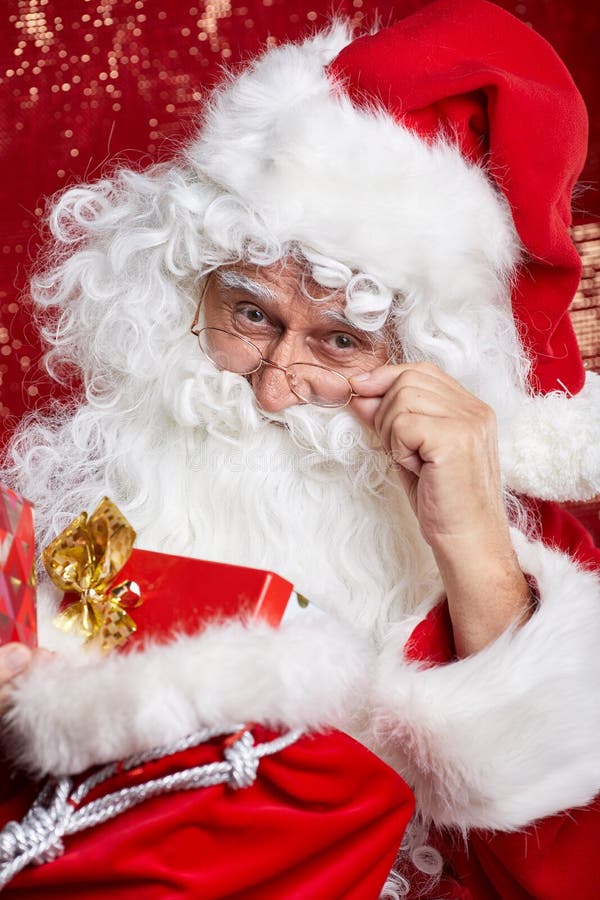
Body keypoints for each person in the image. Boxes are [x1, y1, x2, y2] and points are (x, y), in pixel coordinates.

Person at [1, 0, 600, 895]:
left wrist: (470, 535)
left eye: (341, 341)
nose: (275, 385)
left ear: (427, 365)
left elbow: (559, 860)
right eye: (251, 313)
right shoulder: (102, 473)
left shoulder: (523, 555)